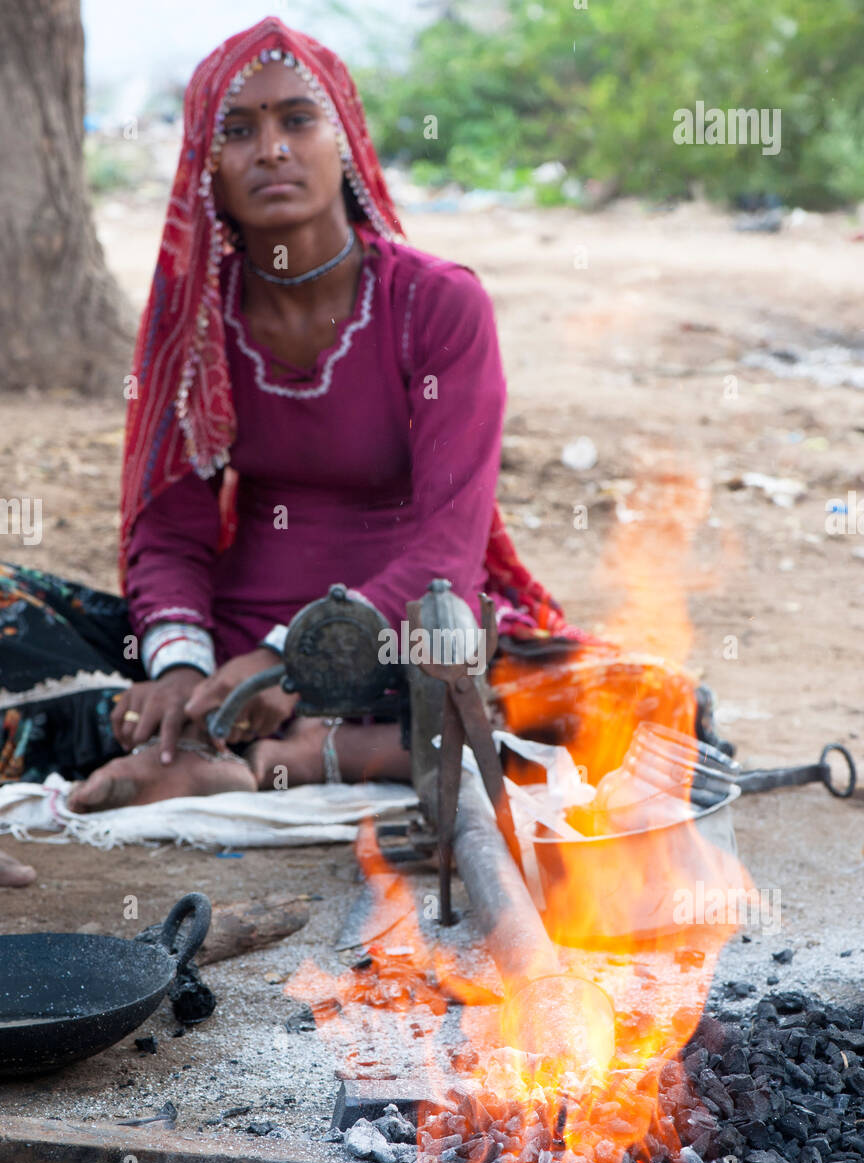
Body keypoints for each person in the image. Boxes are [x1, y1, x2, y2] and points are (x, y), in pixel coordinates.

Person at [0, 17, 597, 825]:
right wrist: (181, 667)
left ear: (343, 137)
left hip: (395, 641)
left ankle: (293, 753)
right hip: (227, 653)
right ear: (206, 166)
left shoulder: (436, 305)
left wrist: (290, 660)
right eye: (238, 131)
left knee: (617, 701)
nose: (271, 149)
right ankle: (189, 733)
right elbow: (171, 530)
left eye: (296, 119)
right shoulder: (196, 323)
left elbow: (448, 552)